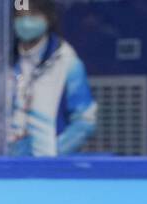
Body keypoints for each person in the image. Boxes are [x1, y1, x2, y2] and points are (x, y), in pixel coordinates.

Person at [7, 0, 97, 157]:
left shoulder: (67, 62)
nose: (26, 22)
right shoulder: (4, 62)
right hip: (9, 163)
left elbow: (86, 121)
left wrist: (54, 153)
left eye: (33, 15)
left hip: (49, 166)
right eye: (20, 16)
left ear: (48, 18)